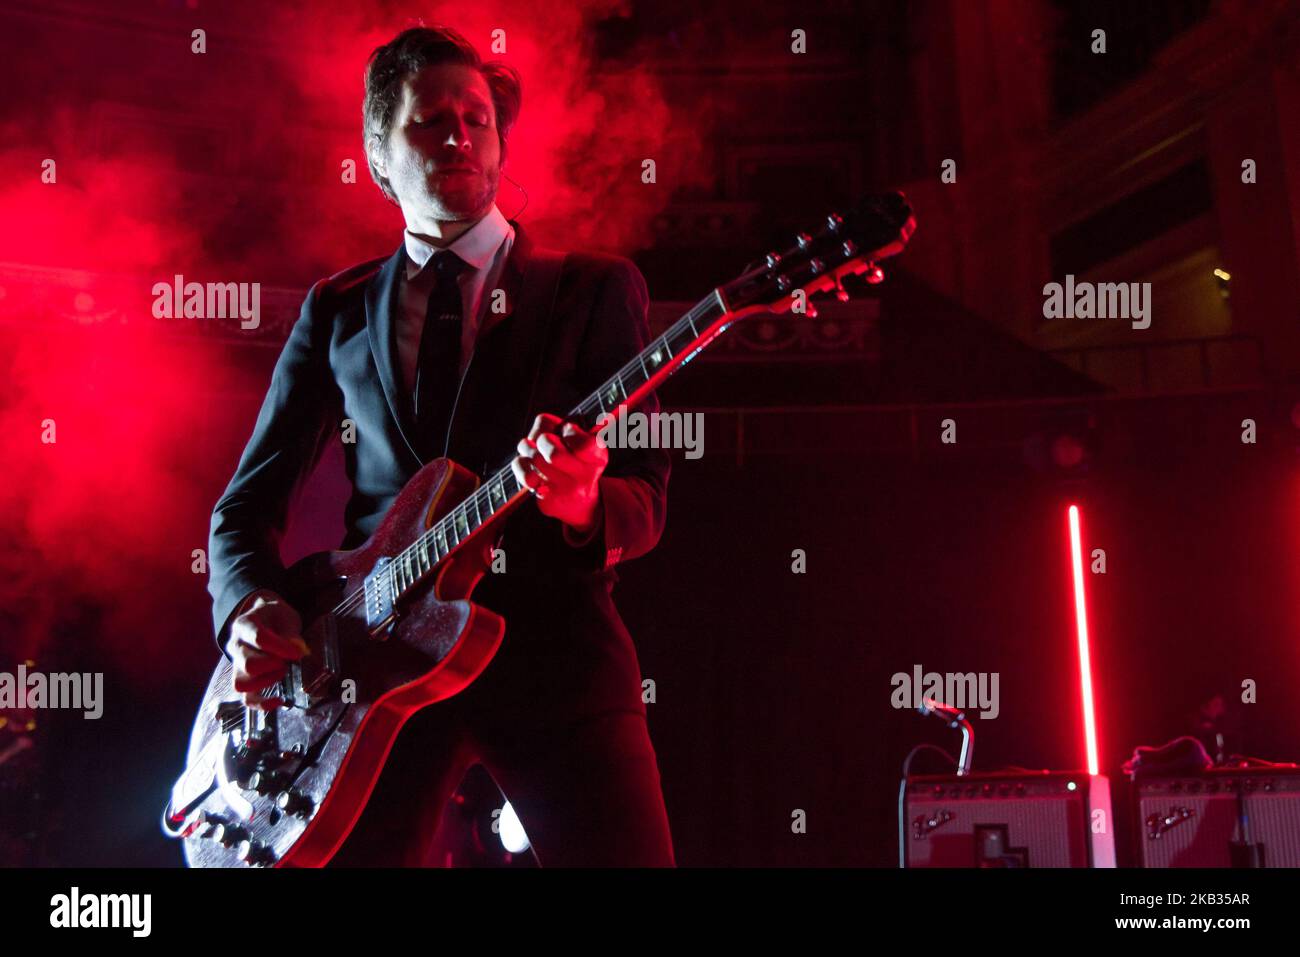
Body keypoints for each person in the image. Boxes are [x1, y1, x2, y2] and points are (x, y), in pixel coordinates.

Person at [205, 25, 674, 867]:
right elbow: (245, 506)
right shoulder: (336, 309)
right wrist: (246, 605)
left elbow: (643, 499)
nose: (459, 135)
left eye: (477, 118)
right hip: (370, 672)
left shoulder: (595, 289)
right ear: (379, 158)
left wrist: (579, 501)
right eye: (428, 121)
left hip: (556, 658)